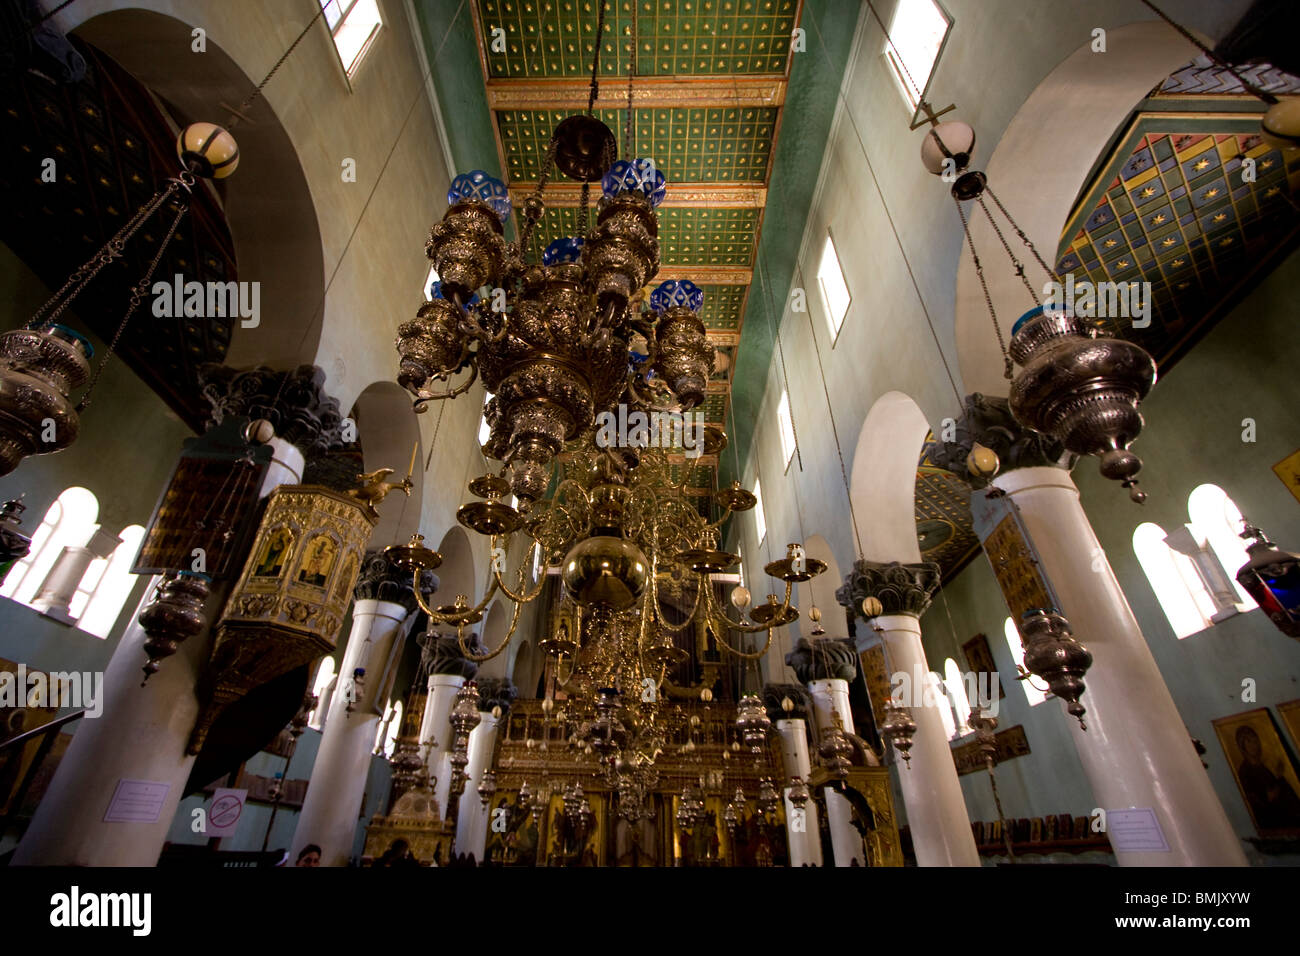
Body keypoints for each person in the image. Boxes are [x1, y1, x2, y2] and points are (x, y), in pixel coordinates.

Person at [1235, 725, 1300, 831]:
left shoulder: (1261, 766)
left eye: (1256, 741)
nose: (1254, 745)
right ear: (1243, 746)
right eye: (1249, 742)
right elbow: (1269, 797)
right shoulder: (1245, 771)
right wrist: (1279, 777)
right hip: (1275, 821)